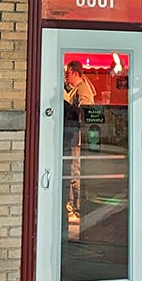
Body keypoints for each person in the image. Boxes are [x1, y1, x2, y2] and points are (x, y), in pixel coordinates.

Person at [63, 61, 96, 219]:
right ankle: (73, 203)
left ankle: (77, 206)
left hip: (77, 136)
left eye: (68, 73)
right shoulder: (76, 89)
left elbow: (87, 111)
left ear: (75, 73)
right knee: (72, 169)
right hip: (73, 136)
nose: (66, 76)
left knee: (75, 170)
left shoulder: (82, 89)